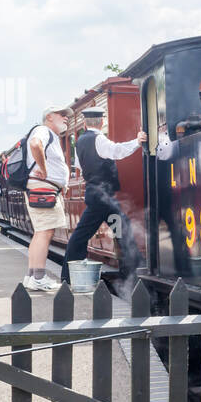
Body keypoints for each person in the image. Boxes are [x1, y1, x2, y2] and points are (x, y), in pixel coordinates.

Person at [62, 110, 148, 283]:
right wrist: (137, 142)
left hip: (96, 193)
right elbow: (116, 151)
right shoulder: (98, 139)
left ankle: (132, 268)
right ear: (101, 123)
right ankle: (136, 270)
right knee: (118, 229)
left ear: (85, 124)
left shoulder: (79, 143)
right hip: (103, 196)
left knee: (120, 228)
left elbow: (80, 165)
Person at [23, 107, 71, 292]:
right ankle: (39, 278)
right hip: (44, 188)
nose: (66, 118)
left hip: (43, 188)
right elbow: (36, 144)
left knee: (40, 232)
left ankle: (31, 276)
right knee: (45, 233)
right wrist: (43, 169)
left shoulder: (49, 134)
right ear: (49, 117)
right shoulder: (43, 131)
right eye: (62, 114)